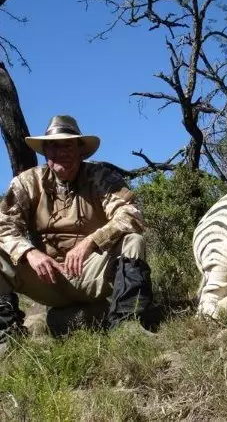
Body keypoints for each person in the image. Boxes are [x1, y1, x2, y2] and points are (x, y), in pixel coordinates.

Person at [0, 115, 154, 343]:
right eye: (53, 145)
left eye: (68, 144)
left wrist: (89, 243)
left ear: (80, 149)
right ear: (44, 151)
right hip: (49, 277)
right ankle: (6, 338)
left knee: (132, 241)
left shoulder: (101, 177)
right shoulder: (26, 183)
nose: (61, 151)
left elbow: (130, 215)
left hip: (93, 271)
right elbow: (4, 225)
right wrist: (29, 253)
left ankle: (127, 325)